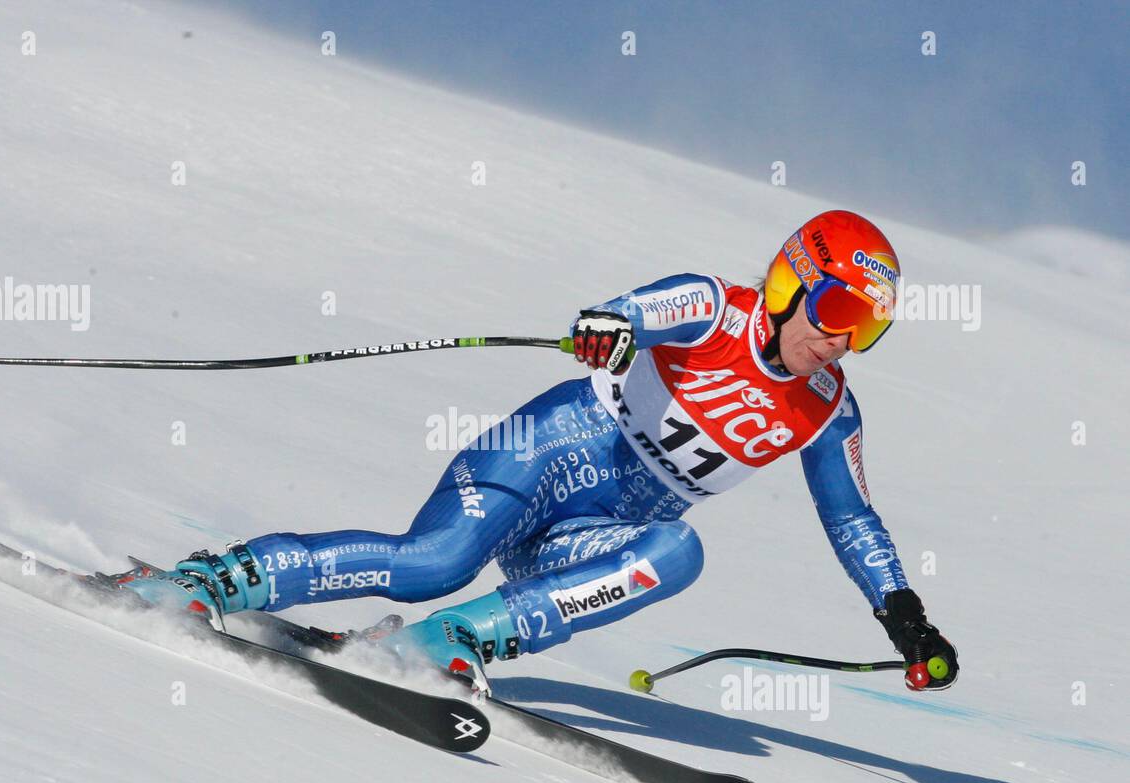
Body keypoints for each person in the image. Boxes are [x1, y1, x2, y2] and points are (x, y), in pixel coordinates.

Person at [114, 210, 959, 693]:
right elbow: (632, 312)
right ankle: (209, 579)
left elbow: (852, 520)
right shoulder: (714, 307)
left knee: (680, 552)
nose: (846, 341)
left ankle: (455, 641)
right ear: (789, 286)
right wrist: (608, 332)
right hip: (550, 450)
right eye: (841, 312)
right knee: (433, 561)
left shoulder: (826, 412)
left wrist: (903, 614)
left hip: (592, 531)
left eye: (870, 327)